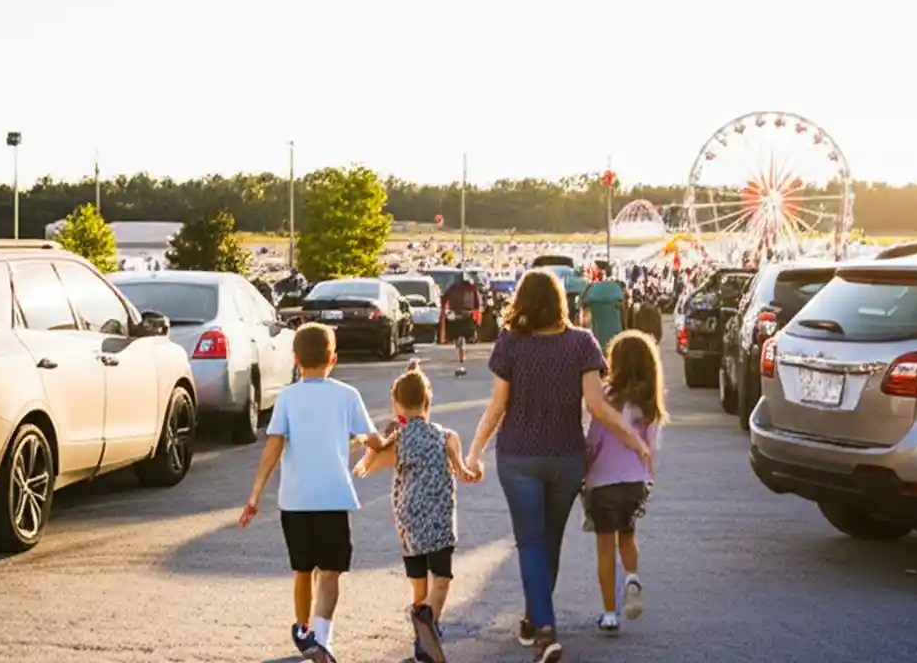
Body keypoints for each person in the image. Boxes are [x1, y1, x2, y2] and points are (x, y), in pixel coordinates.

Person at [463, 270, 652, 663]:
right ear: (560, 302)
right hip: (566, 457)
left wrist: (475, 450)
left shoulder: (510, 343)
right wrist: (633, 440)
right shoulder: (582, 343)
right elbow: (598, 406)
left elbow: (497, 406)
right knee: (548, 541)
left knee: (531, 543)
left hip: (518, 457)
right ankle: (536, 619)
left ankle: (545, 630)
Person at [239, 323, 384, 663]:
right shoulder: (348, 395)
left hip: (296, 500)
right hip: (334, 497)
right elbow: (373, 440)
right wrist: (387, 440)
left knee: (302, 570)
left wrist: (255, 496)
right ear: (333, 358)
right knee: (330, 572)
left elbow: (273, 448)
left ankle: (305, 633)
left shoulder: (287, 397)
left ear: (295, 359)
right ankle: (322, 636)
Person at [354, 361, 476, 663]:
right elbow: (462, 472)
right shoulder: (447, 436)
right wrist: (473, 472)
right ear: (428, 400)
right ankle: (427, 622)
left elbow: (366, 468)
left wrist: (377, 444)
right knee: (442, 578)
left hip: (408, 521)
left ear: (395, 404)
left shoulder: (398, 440)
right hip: (440, 520)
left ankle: (422, 639)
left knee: (418, 580)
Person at [583, 331, 665, 635]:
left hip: (604, 482)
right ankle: (632, 576)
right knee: (627, 536)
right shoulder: (649, 405)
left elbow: (594, 441)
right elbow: (651, 446)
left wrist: (583, 468)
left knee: (605, 547)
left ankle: (609, 613)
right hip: (635, 483)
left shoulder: (607, 399)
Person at [440, 274, 482, 376]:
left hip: (455, 312)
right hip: (467, 313)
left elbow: (444, 297)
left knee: (455, 331)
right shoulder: (472, 288)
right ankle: (463, 344)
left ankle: (459, 343)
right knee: (466, 331)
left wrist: (444, 308)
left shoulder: (453, 287)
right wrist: (476, 310)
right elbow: (477, 302)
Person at [580, 273, 625, 350]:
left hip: (596, 337)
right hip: (614, 337)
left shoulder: (590, 289)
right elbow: (623, 315)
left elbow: (583, 317)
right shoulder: (616, 290)